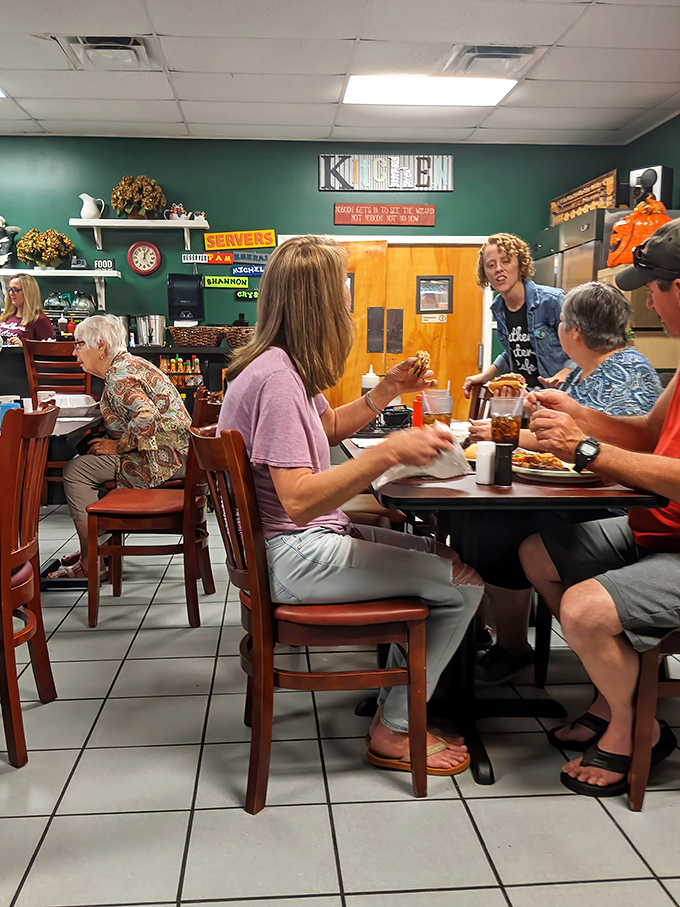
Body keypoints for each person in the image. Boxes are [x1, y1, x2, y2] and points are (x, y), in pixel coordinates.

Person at [218, 234, 484, 776]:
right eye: (343, 294)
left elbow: (326, 427)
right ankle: (395, 727)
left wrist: (385, 389)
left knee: (438, 552)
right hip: (295, 556)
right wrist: (388, 450)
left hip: (294, 547)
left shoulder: (280, 367)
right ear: (318, 304)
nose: (350, 306)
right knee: (463, 583)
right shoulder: (277, 381)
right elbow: (296, 501)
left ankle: (399, 694)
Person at [517, 217, 680, 798]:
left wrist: (583, 449)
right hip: (658, 527)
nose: (650, 305)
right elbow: (644, 435)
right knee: (537, 554)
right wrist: (580, 414)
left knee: (584, 611)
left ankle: (633, 727)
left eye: (654, 291)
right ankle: (615, 690)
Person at [463, 281, 662, 684]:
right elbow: (561, 436)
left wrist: (506, 435)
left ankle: (513, 647)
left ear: (574, 331)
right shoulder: (589, 370)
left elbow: (602, 451)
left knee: (498, 528)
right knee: (483, 520)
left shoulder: (624, 371)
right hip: (582, 492)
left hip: (612, 502)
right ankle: (485, 634)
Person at [50, 314, 191, 580]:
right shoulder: (128, 365)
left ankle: (92, 561)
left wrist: (117, 447)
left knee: (76, 471)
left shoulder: (119, 376)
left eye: (79, 344)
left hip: (164, 459)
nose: (73, 351)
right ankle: (95, 550)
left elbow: (145, 415)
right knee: (88, 460)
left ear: (100, 345)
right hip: (177, 454)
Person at [463, 233, 573, 397]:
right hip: (525, 402)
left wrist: (566, 371)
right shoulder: (499, 309)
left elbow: (585, 346)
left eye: (506, 261)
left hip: (561, 399)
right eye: (491, 265)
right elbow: (513, 352)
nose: (498, 268)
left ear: (520, 265)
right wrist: (483, 377)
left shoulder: (552, 301)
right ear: (485, 274)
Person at [0, 274, 54, 344]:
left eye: (15, 290)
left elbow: (48, 351)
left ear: (28, 292)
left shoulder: (40, 320)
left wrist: (24, 347)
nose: (11, 293)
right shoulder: (5, 317)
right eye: (9, 289)